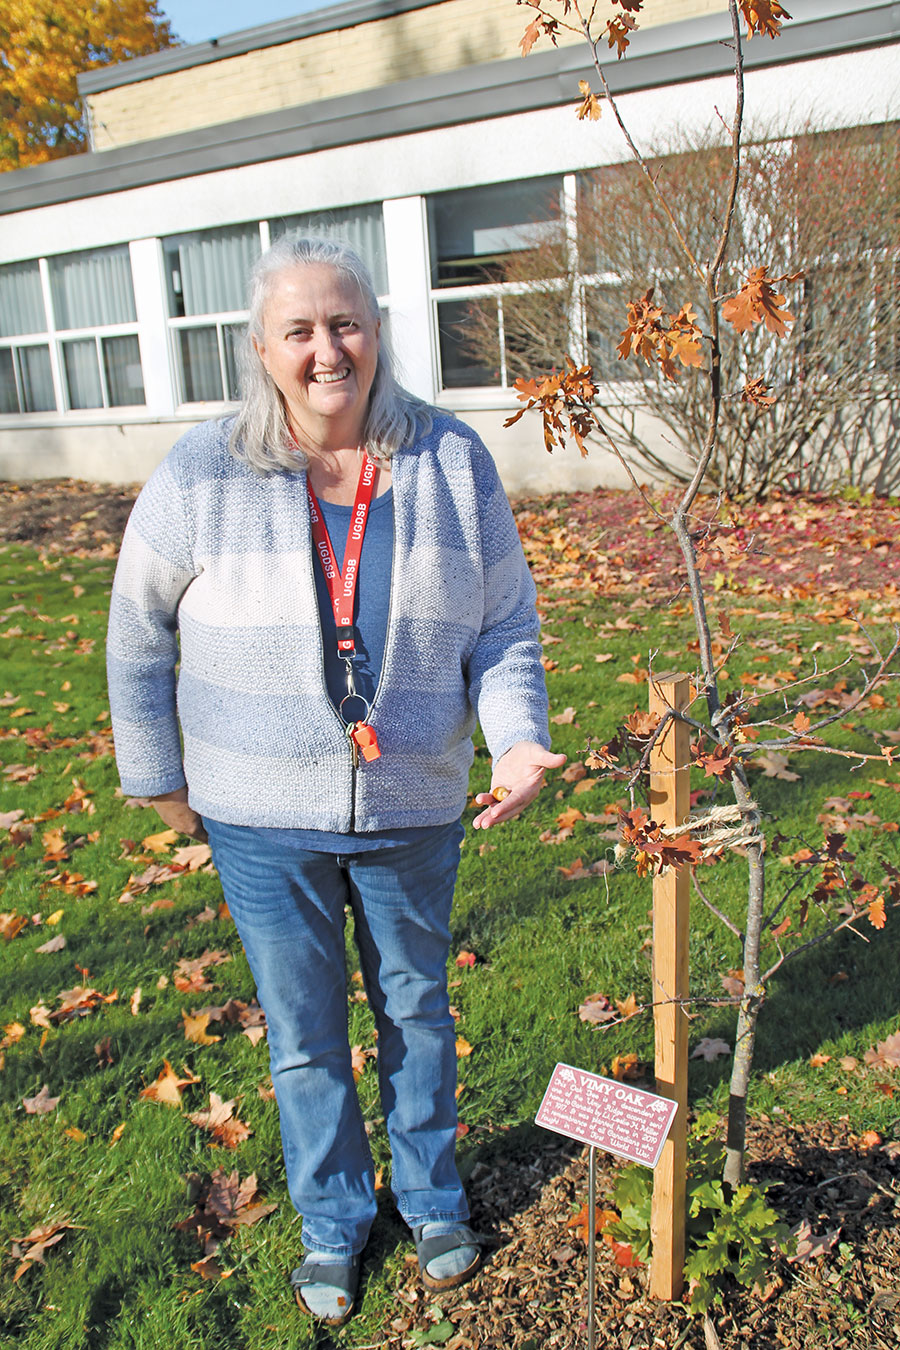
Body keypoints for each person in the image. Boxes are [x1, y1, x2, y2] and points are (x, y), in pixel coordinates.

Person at [107, 235, 564, 1325]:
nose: (327, 350)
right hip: (260, 816)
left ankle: (433, 1198)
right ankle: (333, 1221)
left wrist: (514, 738)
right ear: (262, 348)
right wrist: (157, 775)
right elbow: (136, 633)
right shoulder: (204, 471)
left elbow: (505, 621)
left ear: (377, 333)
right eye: (301, 330)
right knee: (304, 1029)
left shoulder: (450, 458)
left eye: (346, 324)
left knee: (418, 1006)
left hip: (409, 802)